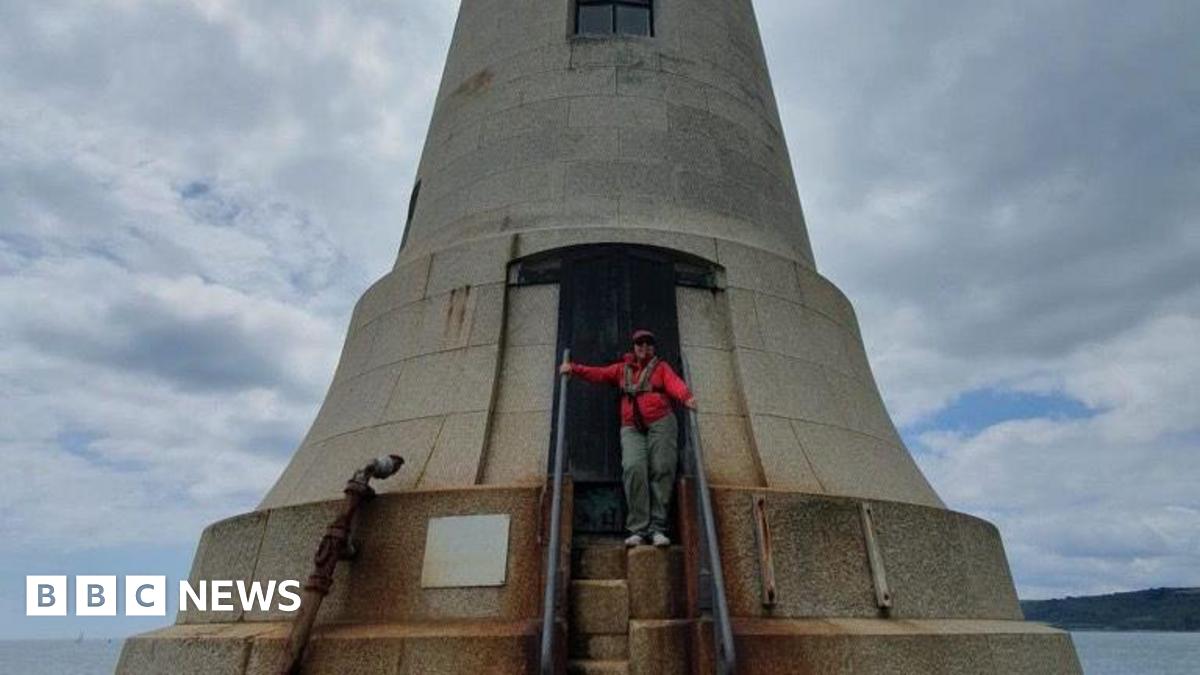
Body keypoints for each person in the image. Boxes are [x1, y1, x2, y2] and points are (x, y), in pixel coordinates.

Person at [560, 329, 696, 547]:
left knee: (663, 468)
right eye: (640, 343)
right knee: (633, 468)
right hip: (631, 427)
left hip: (661, 422)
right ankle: (639, 529)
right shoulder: (622, 370)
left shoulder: (661, 367)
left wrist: (686, 397)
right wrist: (573, 369)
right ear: (634, 347)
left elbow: (674, 383)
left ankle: (658, 528)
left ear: (653, 348)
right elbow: (599, 374)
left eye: (649, 344)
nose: (644, 347)